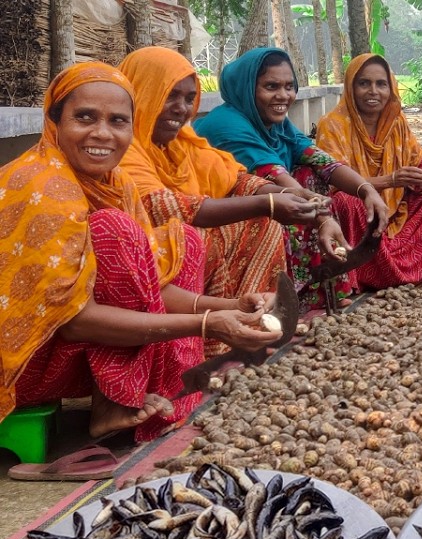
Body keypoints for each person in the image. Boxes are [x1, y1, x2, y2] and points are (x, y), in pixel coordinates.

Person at [0, 63, 280, 443]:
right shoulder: (45, 185)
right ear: (54, 122)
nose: (102, 133)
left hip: (67, 348)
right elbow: (74, 321)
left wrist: (229, 306)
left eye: (118, 121)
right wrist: (207, 325)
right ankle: (111, 404)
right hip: (20, 362)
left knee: (178, 240)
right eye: (84, 117)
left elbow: (154, 286)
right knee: (115, 231)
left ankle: (157, 391)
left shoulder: (117, 184)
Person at [118, 47, 322, 305]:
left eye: (189, 99)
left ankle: (254, 317)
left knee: (264, 223)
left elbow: (235, 179)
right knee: (191, 239)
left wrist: (286, 195)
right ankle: (215, 326)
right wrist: (269, 203)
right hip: (133, 256)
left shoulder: (180, 143)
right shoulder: (123, 146)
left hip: (181, 236)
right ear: (140, 92)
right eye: (170, 95)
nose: (181, 109)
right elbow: (161, 207)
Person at [194, 47, 390, 306]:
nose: (283, 96)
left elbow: (321, 160)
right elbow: (276, 178)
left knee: (313, 175)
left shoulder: (277, 124)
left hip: (272, 195)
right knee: (292, 197)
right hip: (221, 214)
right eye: (271, 86)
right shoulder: (227, 124)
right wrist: (323, 221)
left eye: (289, 86)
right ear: (246, 88)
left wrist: (367, 190)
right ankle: (284, 298)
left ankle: (318, 292)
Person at [315, 53, 422, 288]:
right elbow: (332, 181)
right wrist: (389, 180)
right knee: (345, 201)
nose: (373, 91)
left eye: (381, 84)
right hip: (362, 213)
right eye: (364, 83)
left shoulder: (396, 121)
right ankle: (358, 275)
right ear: (351, 87)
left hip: (397, 211)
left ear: (391, 87)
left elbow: (421, 159)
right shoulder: (332, 125)